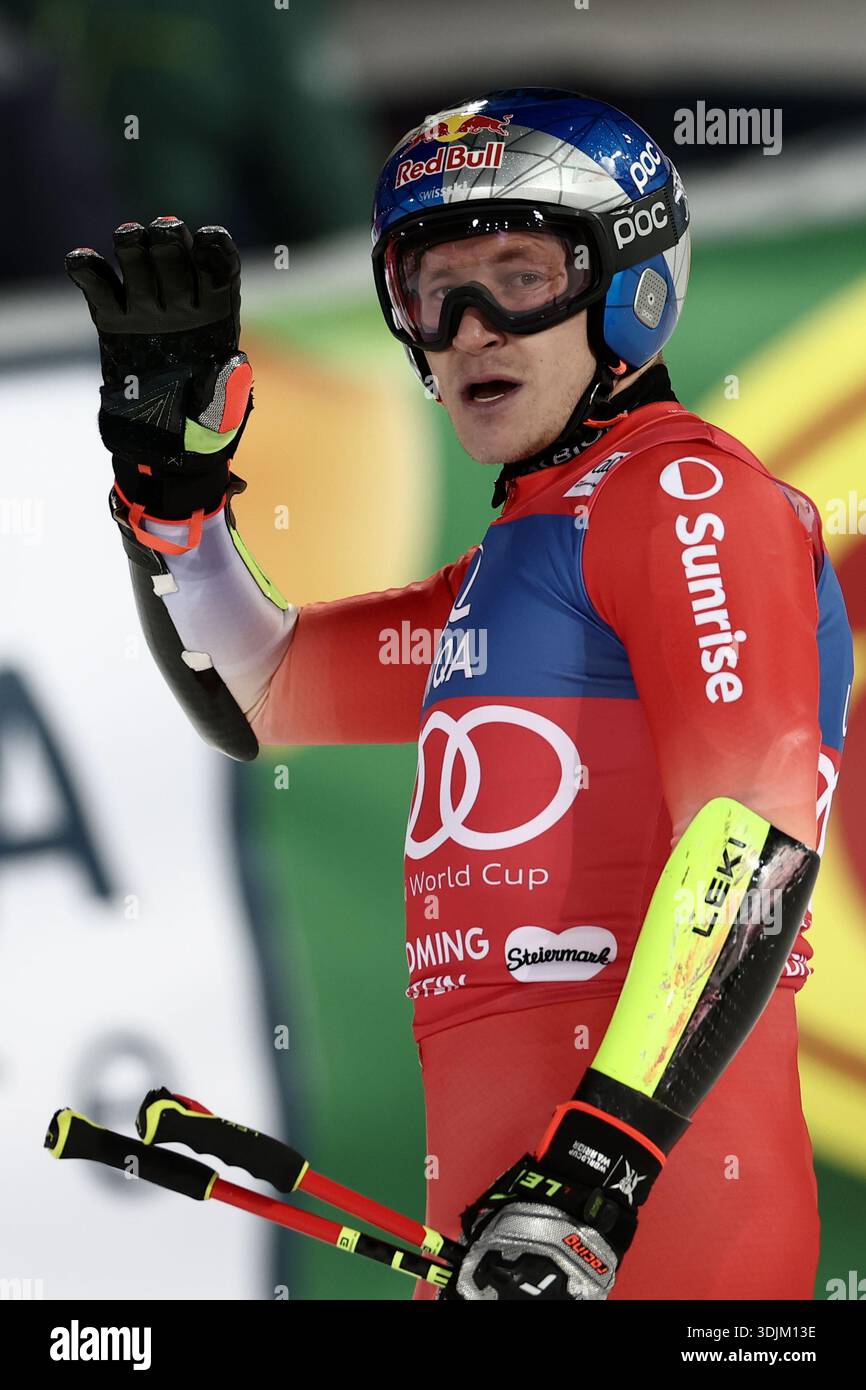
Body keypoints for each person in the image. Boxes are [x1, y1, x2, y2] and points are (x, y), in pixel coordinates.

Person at [67, 87, 853, 1300]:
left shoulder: (684, 496)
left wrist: (594, 1171)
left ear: (630, 287)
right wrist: (171, 511)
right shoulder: (509, 566)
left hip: (641, 1221)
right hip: (512, 1233)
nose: (472, 327)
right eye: (434, 290)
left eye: (520, 275)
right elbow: (257, 692)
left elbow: (752, 840)